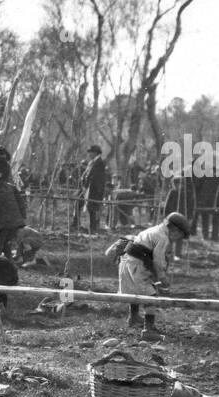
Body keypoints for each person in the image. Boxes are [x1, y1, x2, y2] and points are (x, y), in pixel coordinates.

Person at [116, 211, 192, 342]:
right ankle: (148, 330)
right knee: (150, 295)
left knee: (135, 291)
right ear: (174, 229)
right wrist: (162, 277)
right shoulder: (162, 238)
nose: (177, 238)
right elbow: (158, 260)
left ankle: (133, 318)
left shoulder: (152, 230)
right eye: (179, 235)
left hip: (127, 261)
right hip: (137, 265)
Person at [74, 145, 108, 232]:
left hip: (93, 190)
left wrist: (86, 184)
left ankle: (92, 228)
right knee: (78, 203)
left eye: (91, 152)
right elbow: (86, 174)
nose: (89, 154)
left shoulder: (99, 162)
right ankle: (76, 224)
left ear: (95, 153)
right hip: (87, 188)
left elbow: (93, 176)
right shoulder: (92, 162)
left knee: (91, 208)